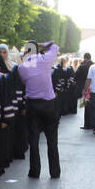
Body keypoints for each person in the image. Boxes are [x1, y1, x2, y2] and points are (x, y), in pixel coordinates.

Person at [18, 40, 61, 179]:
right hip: (49, 104)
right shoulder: (45, 59)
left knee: (34, 141)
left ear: (26, 51)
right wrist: (45, 45)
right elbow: (55, 46)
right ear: (37, 50)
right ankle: (55, 172)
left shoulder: (22, 67)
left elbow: (25, 81)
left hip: (33, 105)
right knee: (52, 140)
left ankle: (34, 171)